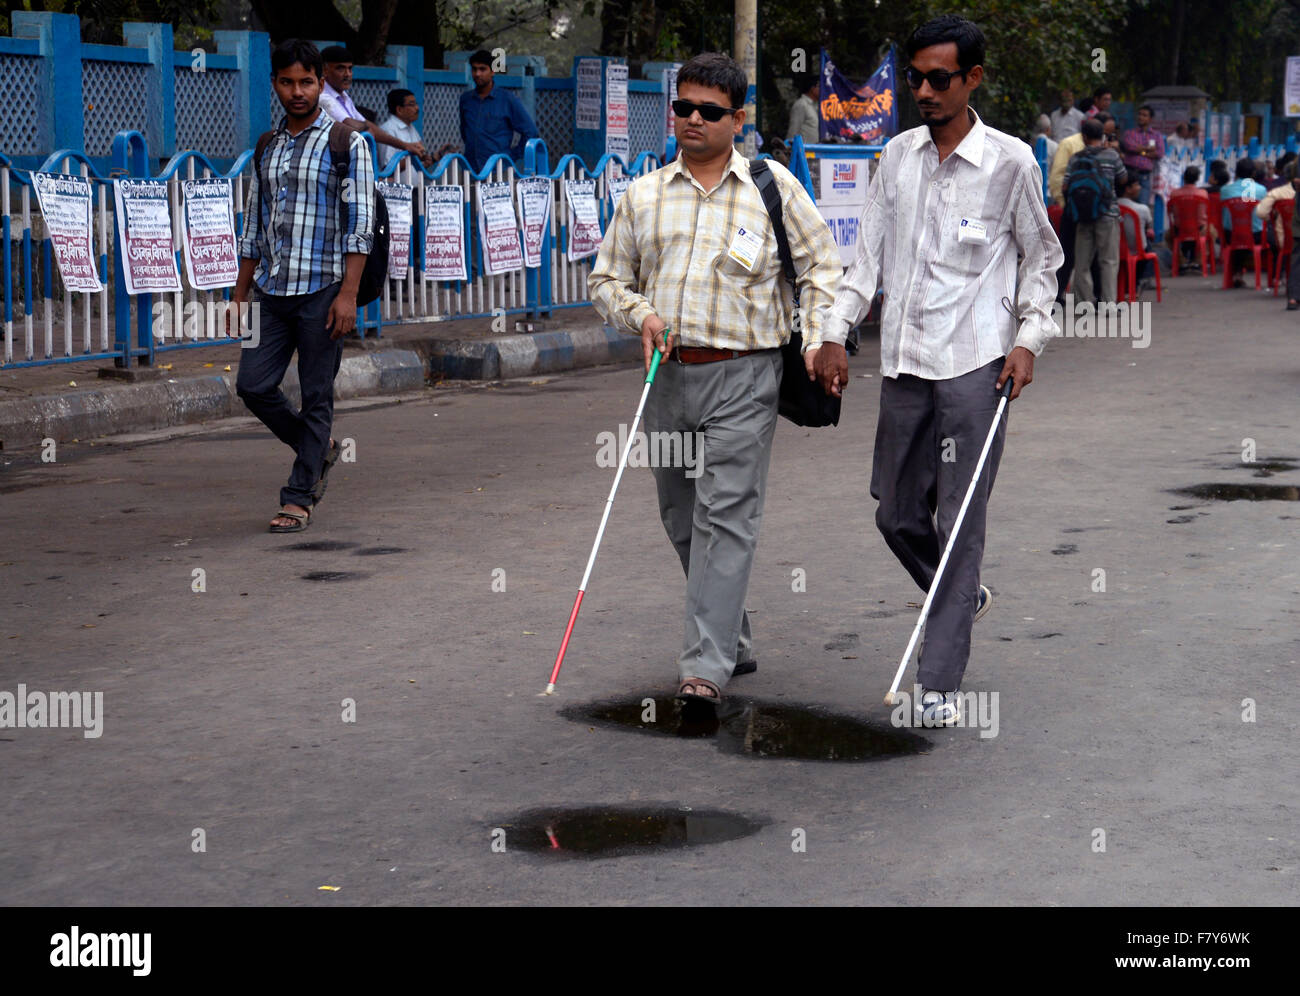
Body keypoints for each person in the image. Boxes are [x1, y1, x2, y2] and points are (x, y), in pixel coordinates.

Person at [810, 15, 1062, 726]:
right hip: (906, 363)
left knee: (959, 524)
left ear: (972, 79)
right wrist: (833, 333)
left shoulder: (1011, 163)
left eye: (938, 78)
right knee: (894, 511)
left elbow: (1043, 260)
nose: (922, 89)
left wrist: (1029, 339)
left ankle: (941, 685)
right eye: (914, 76)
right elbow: (866, 262)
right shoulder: (897, 158)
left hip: (978, 366)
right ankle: (962, 591)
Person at [588, 52, 842, 708]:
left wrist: (818, 340)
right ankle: (731, 634)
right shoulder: (643, 196)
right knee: (681, 516)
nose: (692, 120)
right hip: (666, 377)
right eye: (683, 107)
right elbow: (607, 280)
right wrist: (639, 312)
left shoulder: (771, 186)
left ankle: (703, 667)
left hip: (745, 377)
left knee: (725, 514)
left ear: (738, 118)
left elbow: (821, 269)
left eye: (708, 111)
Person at [232, 39, 374, 533]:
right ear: (275, 84)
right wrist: (238, 292)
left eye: (307, 82)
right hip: (271, 292)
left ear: (321, 84)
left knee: (317, 395)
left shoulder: (347, 143)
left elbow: (360, 224)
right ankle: (318, 450)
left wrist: (348, 295)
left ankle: (298, 494)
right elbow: (254, 224)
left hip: (323, 290)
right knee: (251, 385)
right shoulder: (267, 146)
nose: (297, 91)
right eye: (288, 82)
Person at [318, 45, 431, 166]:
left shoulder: (344, 96)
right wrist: (365, 128)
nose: (347, 74)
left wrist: (405, 145)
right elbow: (351, 125)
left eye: (350, 69)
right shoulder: (324, 98)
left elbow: (365, 124)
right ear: (325, 70)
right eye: (340, 69)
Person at [1065, 117, 1125, 304]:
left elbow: (1065, 187)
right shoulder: (1112, 156)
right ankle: (1108, 304)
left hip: (1083, 216)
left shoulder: (1076, 158)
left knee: (1082, 263)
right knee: (1108, 261)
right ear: (1103, 136)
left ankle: (1085, 303)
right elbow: (1123, 178)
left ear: (1083, 137)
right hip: (1108, 214)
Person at [459, 49, 540, 173]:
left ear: (492, 71)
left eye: (482, 69)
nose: (477, 74)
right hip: (470, 170)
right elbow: (465, 131)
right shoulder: (466, 100)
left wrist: (511, 157)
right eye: (474, 69)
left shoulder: (507, 99)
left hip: (499, 172)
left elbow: (530, 132)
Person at [1219, 157, 1268, 286]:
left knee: (1238, 233)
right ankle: (1275, 277)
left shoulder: (1225, 190)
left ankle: (1236, 273)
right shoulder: (1261, 190)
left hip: (1230, 235)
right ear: (1253, 174)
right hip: (1255, 235)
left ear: (1236, 173)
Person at [1116, 173, 1171, 286]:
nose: (1140, 188)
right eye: (1137, 185)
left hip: (1114, 249)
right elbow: (1148, 228)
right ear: (1128, 189)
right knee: (1148, 243)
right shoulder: (1142, 209)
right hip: (1136, 250)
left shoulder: (1111, 208)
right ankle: (1138, 282)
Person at [1166, 164, 1211, 269]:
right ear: (1197, 178)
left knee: (1167, 236)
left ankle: (1181, 260)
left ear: (1184, 177)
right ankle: (1199, 260)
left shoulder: (1174, 194)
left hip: (1179, 229)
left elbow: (1172, 211)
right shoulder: (1203, 194)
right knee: (1212, 233)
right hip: (1200, 229)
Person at [1120, 104, 1165, 206]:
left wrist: (1140, 151)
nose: (1141, 117)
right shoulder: (1130, 133)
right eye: (1139, 114)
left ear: (1150, 119)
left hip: (1145, 176)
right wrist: (1148, 150)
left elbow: (1159, 152)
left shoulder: (1156, 135)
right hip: (1129, 174)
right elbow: (1129, 147)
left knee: (1143, 205)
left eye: (1144, 115)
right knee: (1126, 204)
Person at [787, 76, 820, 145]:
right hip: (803, 151)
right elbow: (794, 129)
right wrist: (789, 148)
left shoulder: (816, 105)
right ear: (812, 88)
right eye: (819, 87)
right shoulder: (801, 104)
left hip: (816, 150)